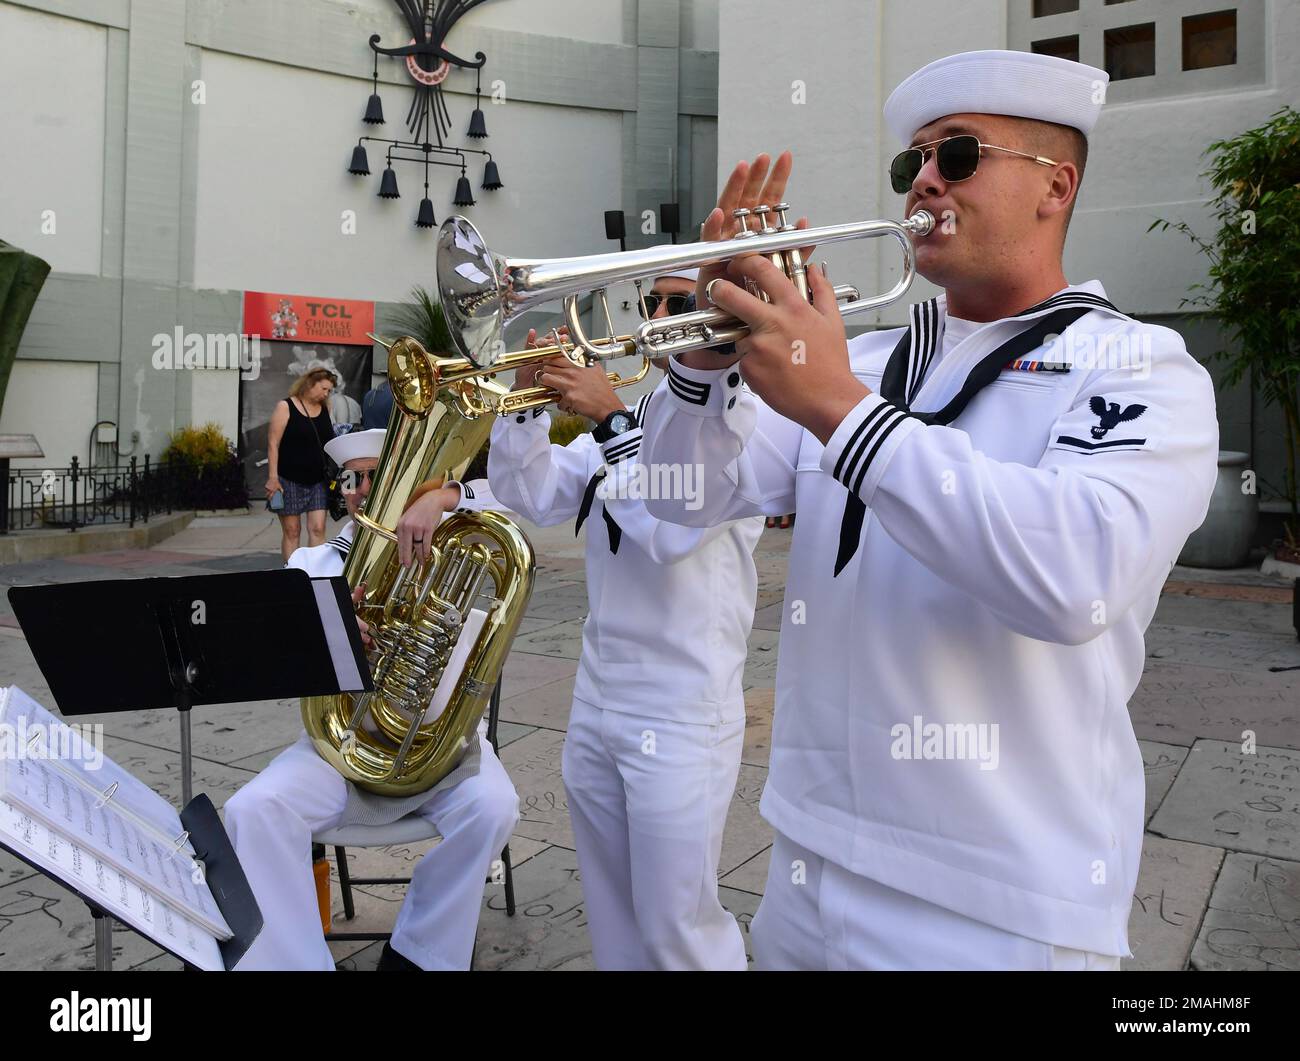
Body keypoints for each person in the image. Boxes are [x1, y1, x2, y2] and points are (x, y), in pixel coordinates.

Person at [639, 50, 1219, 970]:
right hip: (806, 856)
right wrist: (705, 362)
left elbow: (1077, 577)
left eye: (958, 155)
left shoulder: (1141, 365)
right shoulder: (862, 356)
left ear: (1054, 186)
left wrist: (841, 411)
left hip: (995, 901)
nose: (925, 186)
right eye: (913, 165)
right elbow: (681, 498)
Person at [485, 271, 764, 970]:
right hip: (599, 698)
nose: (659, 316)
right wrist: (524, 406)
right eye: (652, 303)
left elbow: (671, 530)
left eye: (679, 301)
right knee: (614, 918)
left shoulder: (744, 418)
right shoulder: (638, 418)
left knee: (679, 928)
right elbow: (534, 493)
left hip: (682, 708)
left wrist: (608, 418)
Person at [226, 428, 519, 971]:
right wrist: (334, 636)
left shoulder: (449, 544)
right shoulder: (314, 564)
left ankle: (421, 952)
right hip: (340, 749)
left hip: (440, 749)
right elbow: (273, 657)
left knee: (494, 808)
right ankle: (294, 962)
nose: (363, 490)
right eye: (353, 479)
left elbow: (521, 498)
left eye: (377, 476)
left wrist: (444, 496)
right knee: (252, 810)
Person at [265, 366, 337, 563]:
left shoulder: (325, 408)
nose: (326, 393)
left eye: (329, 390)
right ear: (309, 384)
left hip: (317, 480)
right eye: (323, 388)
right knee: (292, 531)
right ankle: (292, 575)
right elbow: (273, 443)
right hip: (288, 479)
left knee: (318, 528)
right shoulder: (285, 406)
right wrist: (273, 478)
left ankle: (315, 574)